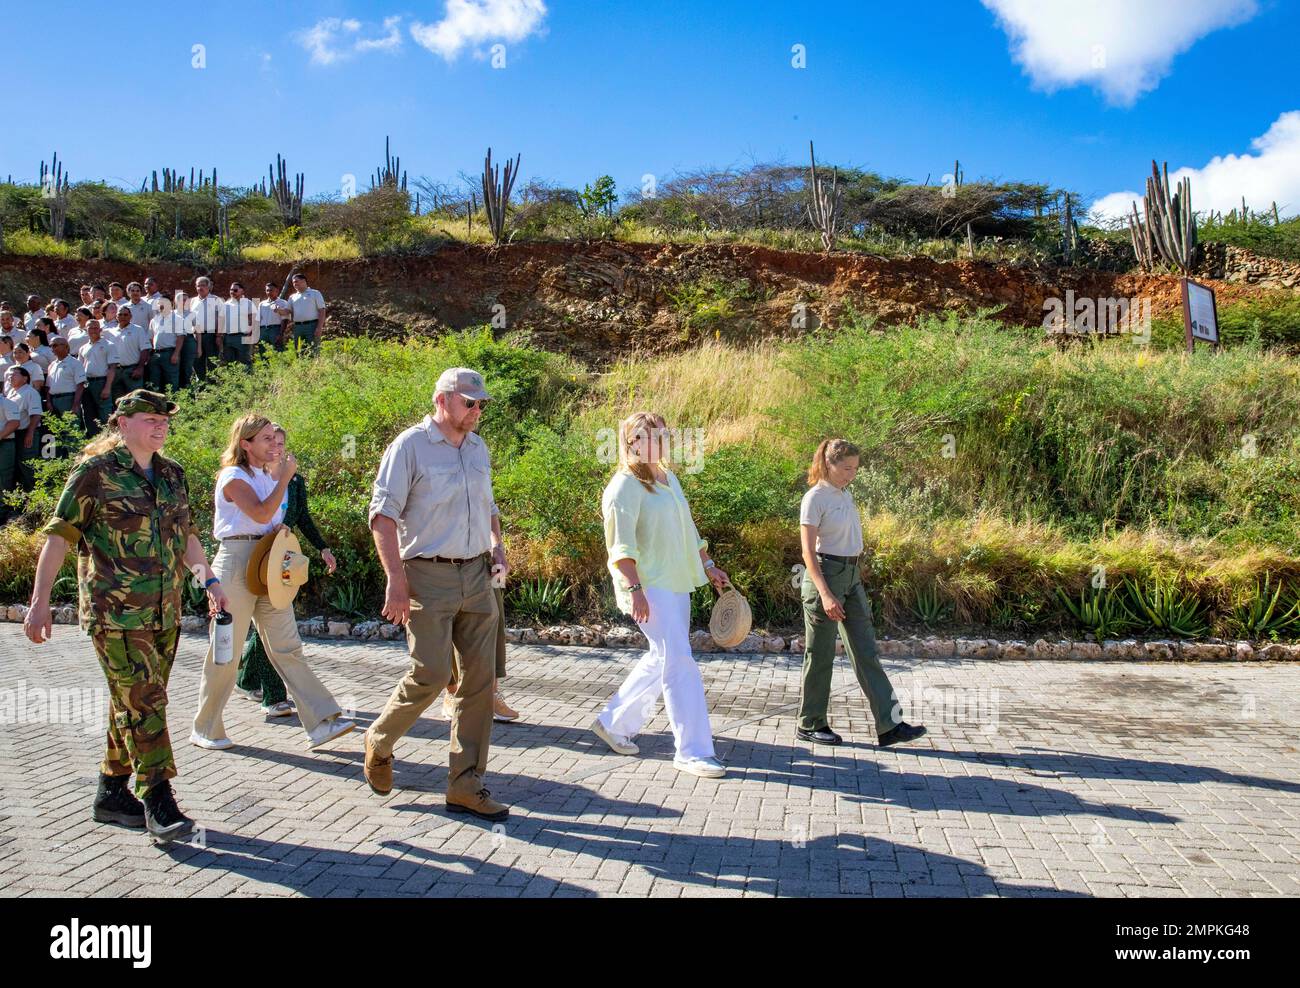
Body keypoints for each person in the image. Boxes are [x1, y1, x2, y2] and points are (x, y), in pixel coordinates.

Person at [23, 389, 225, 842]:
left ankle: (110, 793)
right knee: (146, 703)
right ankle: (159, 800)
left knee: (132, 703)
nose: (160, 426)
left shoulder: (172, 474)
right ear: (122, 424)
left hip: (164, 610)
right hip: (114, 613)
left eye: (164, 420)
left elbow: (187, 534)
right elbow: (59, 537)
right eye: (149, 418)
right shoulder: (94, 473)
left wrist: (208, 580)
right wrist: (39, 601)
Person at [362, 367, 509, 821]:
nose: (477, 410)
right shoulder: (410, 447)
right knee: (430, 672)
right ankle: (380, 740)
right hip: (426, 575)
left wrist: (499, 546)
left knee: (480, 682)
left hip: (477, 575)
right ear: (443, 400)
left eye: (481, 403)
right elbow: (382, 517)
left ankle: (466, 784)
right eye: (470, 402)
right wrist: (396, 580)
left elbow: (489, 505)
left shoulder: (479, 447)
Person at [190, 414, 356, 751]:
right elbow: (262, 513)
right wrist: (283, 481)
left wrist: (282, 529)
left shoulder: (268, 477)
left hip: (269, 561)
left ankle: (322, 721)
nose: (273, 445)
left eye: (274, 438)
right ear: (245, 443)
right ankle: (206, 726)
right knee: (226, 650)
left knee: (287, 645)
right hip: (236, 563)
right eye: (265, 439)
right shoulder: (232, 476)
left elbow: (272, 521)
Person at [589, 411, 731, 779]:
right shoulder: (623, 487)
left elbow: (688, 526)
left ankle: (614, 723)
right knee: (678, 662)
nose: (660, 443)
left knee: (663, 657)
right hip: (648, 586)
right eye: (650, 437)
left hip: (676, 580)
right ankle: (693, 751)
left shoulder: (667, 478)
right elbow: (619, 548)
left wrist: (708, 564)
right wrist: (636, 591)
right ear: (630, 442)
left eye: (664, 436)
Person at [797, 439, 926, 748]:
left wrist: (853, 575)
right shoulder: (815, 498)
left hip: (851, 577)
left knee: (866, 650)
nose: (851, 474)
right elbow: (807, 553)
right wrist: (826, 595)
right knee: (820, 653)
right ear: (828, 464)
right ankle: (810, 723)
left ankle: (890, 725)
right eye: (846, 468)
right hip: (825, 577)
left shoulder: (844, 494)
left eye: (855, 468)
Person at [235, 423, 337, 716]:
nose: (276, 449)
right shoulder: (256, 479)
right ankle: (274, 696)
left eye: (281, 443)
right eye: (271, 442)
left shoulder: (295, 481)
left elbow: (303, 517)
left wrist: (323, 547)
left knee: (271, 625)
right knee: (272, 625)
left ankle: (245, 679)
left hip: (286, 554)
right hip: (260, 555)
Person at [44, 337, 86, 458]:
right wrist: (48, 402)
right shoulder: (52, 364)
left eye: (56, 345)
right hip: (54, 400)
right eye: (51, 346)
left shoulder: (75, 363)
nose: (53, 348)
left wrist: (75, 404)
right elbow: (48, 386)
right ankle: (63, 461)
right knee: (59, 432)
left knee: (72, 432)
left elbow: (80, 385)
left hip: (69, 399)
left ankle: (75, 459)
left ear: (66, 347)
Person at [76, 320, 118, 436]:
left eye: (96, 328)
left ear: (100, 330)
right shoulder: (83, 348)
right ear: (86, 330)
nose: (93, 330)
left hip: (101, 382)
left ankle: (110, 437)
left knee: (105, 413)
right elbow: (79, 368)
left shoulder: (108, 345)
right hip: (86, 383)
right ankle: (93, 439)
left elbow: (112, 368)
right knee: (88, 413)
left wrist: (107, 387)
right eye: (90, 328)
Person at [5, 365, 43, 491]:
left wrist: (30, 434)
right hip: (14, 434)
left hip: (26, 432)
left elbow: (36, 415)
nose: (11, 377)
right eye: (10, 375)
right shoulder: (11, 392)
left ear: (25, 378)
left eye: (15, 374)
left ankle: (32, 498)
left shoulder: (30, 392)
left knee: (28, 466)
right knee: (17, 467)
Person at [105, 305, 152, 401]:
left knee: (136, 400)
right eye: (120, 314)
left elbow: (145, 350)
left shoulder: (138, 329)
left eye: (125, 315)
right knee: (118, 401)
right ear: (116, 317)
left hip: (132, 370)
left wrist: (140, 368)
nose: (123, 317)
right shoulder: (110, 332)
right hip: (116, 372)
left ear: (130, 316)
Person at [188, 277, 224, 381]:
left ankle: (213, 388)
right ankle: (201, 387)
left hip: (211, 336)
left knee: (212, 363)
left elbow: (221, 318)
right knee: (197, 362)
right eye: (198, 285)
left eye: (203, 285)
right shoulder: (192, 301)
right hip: (195, 337)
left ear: (209, 287)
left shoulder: (216, 300)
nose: (200, 288)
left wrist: (218, 335)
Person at [148, 297, 186, 392]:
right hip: (156, 354)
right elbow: (150, 338)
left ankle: (173, 404)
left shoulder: (177, 318)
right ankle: (157, 405)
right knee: (154, 382)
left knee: (171, 382)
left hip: (170, 353)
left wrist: (176, 354)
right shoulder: (154, 320)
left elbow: (180, 337)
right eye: (159, 303)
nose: (161, 305)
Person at [287, 273, 327, 353]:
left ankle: (315, 365)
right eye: (293, 282)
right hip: (298, 327)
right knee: (299, 351)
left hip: (312, 326)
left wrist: (319, 328)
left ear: (303, 281)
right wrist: (278, 310)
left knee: (313, 350)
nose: (294, 284)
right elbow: (288, 311)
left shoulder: (315, 293)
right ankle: (301, 365)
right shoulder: (292, 297)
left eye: (296, 282)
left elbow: (322, 311)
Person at [222, 282, 257, 368]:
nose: (232, 292)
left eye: (235, 290)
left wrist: (251, 334)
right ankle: (234, 381)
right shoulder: (226, 304)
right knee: (230, 362)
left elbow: (254, 320)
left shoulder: (248, 303)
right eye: (231, 290)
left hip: (244, 336)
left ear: (242, 291)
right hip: (228, 337)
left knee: (245, 361)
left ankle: (248, 380)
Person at [257, 282, 292, 353]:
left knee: (278, 351)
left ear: (277, 291)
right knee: (263, 352)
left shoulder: (283, 303)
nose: (269, 292)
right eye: (267, 290)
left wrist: (281, 334)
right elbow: (258, 320)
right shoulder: (262, 304)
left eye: (271, 290)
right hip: (263, 330)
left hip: (275, 329)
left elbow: (285, 319)